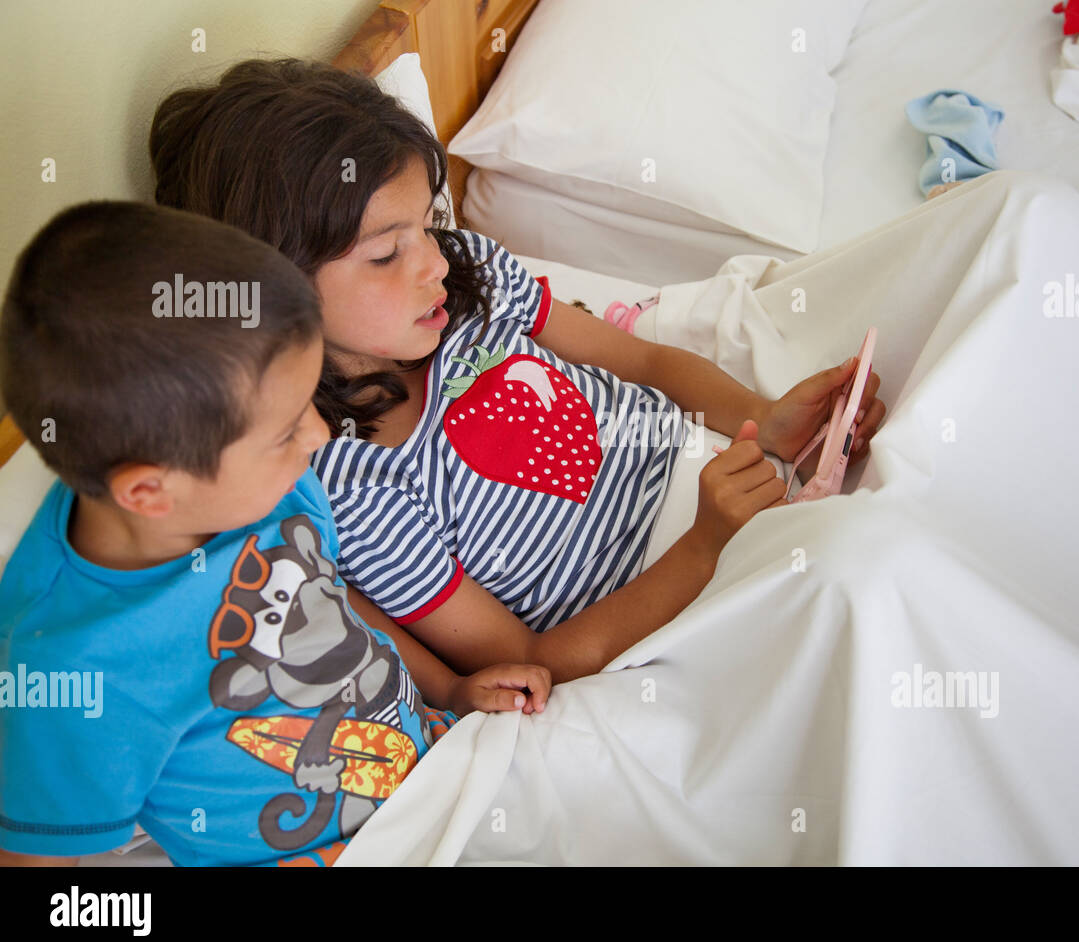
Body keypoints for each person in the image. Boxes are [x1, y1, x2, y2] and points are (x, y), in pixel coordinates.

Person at [149, 58, 887, 684]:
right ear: (278, 294)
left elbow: (646, 359)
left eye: (430, 225)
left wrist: (767, 419)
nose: (435, 262)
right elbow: (531, 658)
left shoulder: (466, 279)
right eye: (385, 254)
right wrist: (705, 542)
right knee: (863, 587)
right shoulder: (351, 482)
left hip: (727, 482)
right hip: (666, 592)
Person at [0, 201, 551, 867]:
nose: (320, 437)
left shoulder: (259, 478)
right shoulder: (73, 673)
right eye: (290, 429)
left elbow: (334, 595)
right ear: (149, 491)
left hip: (440, 766)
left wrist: (448, 688)